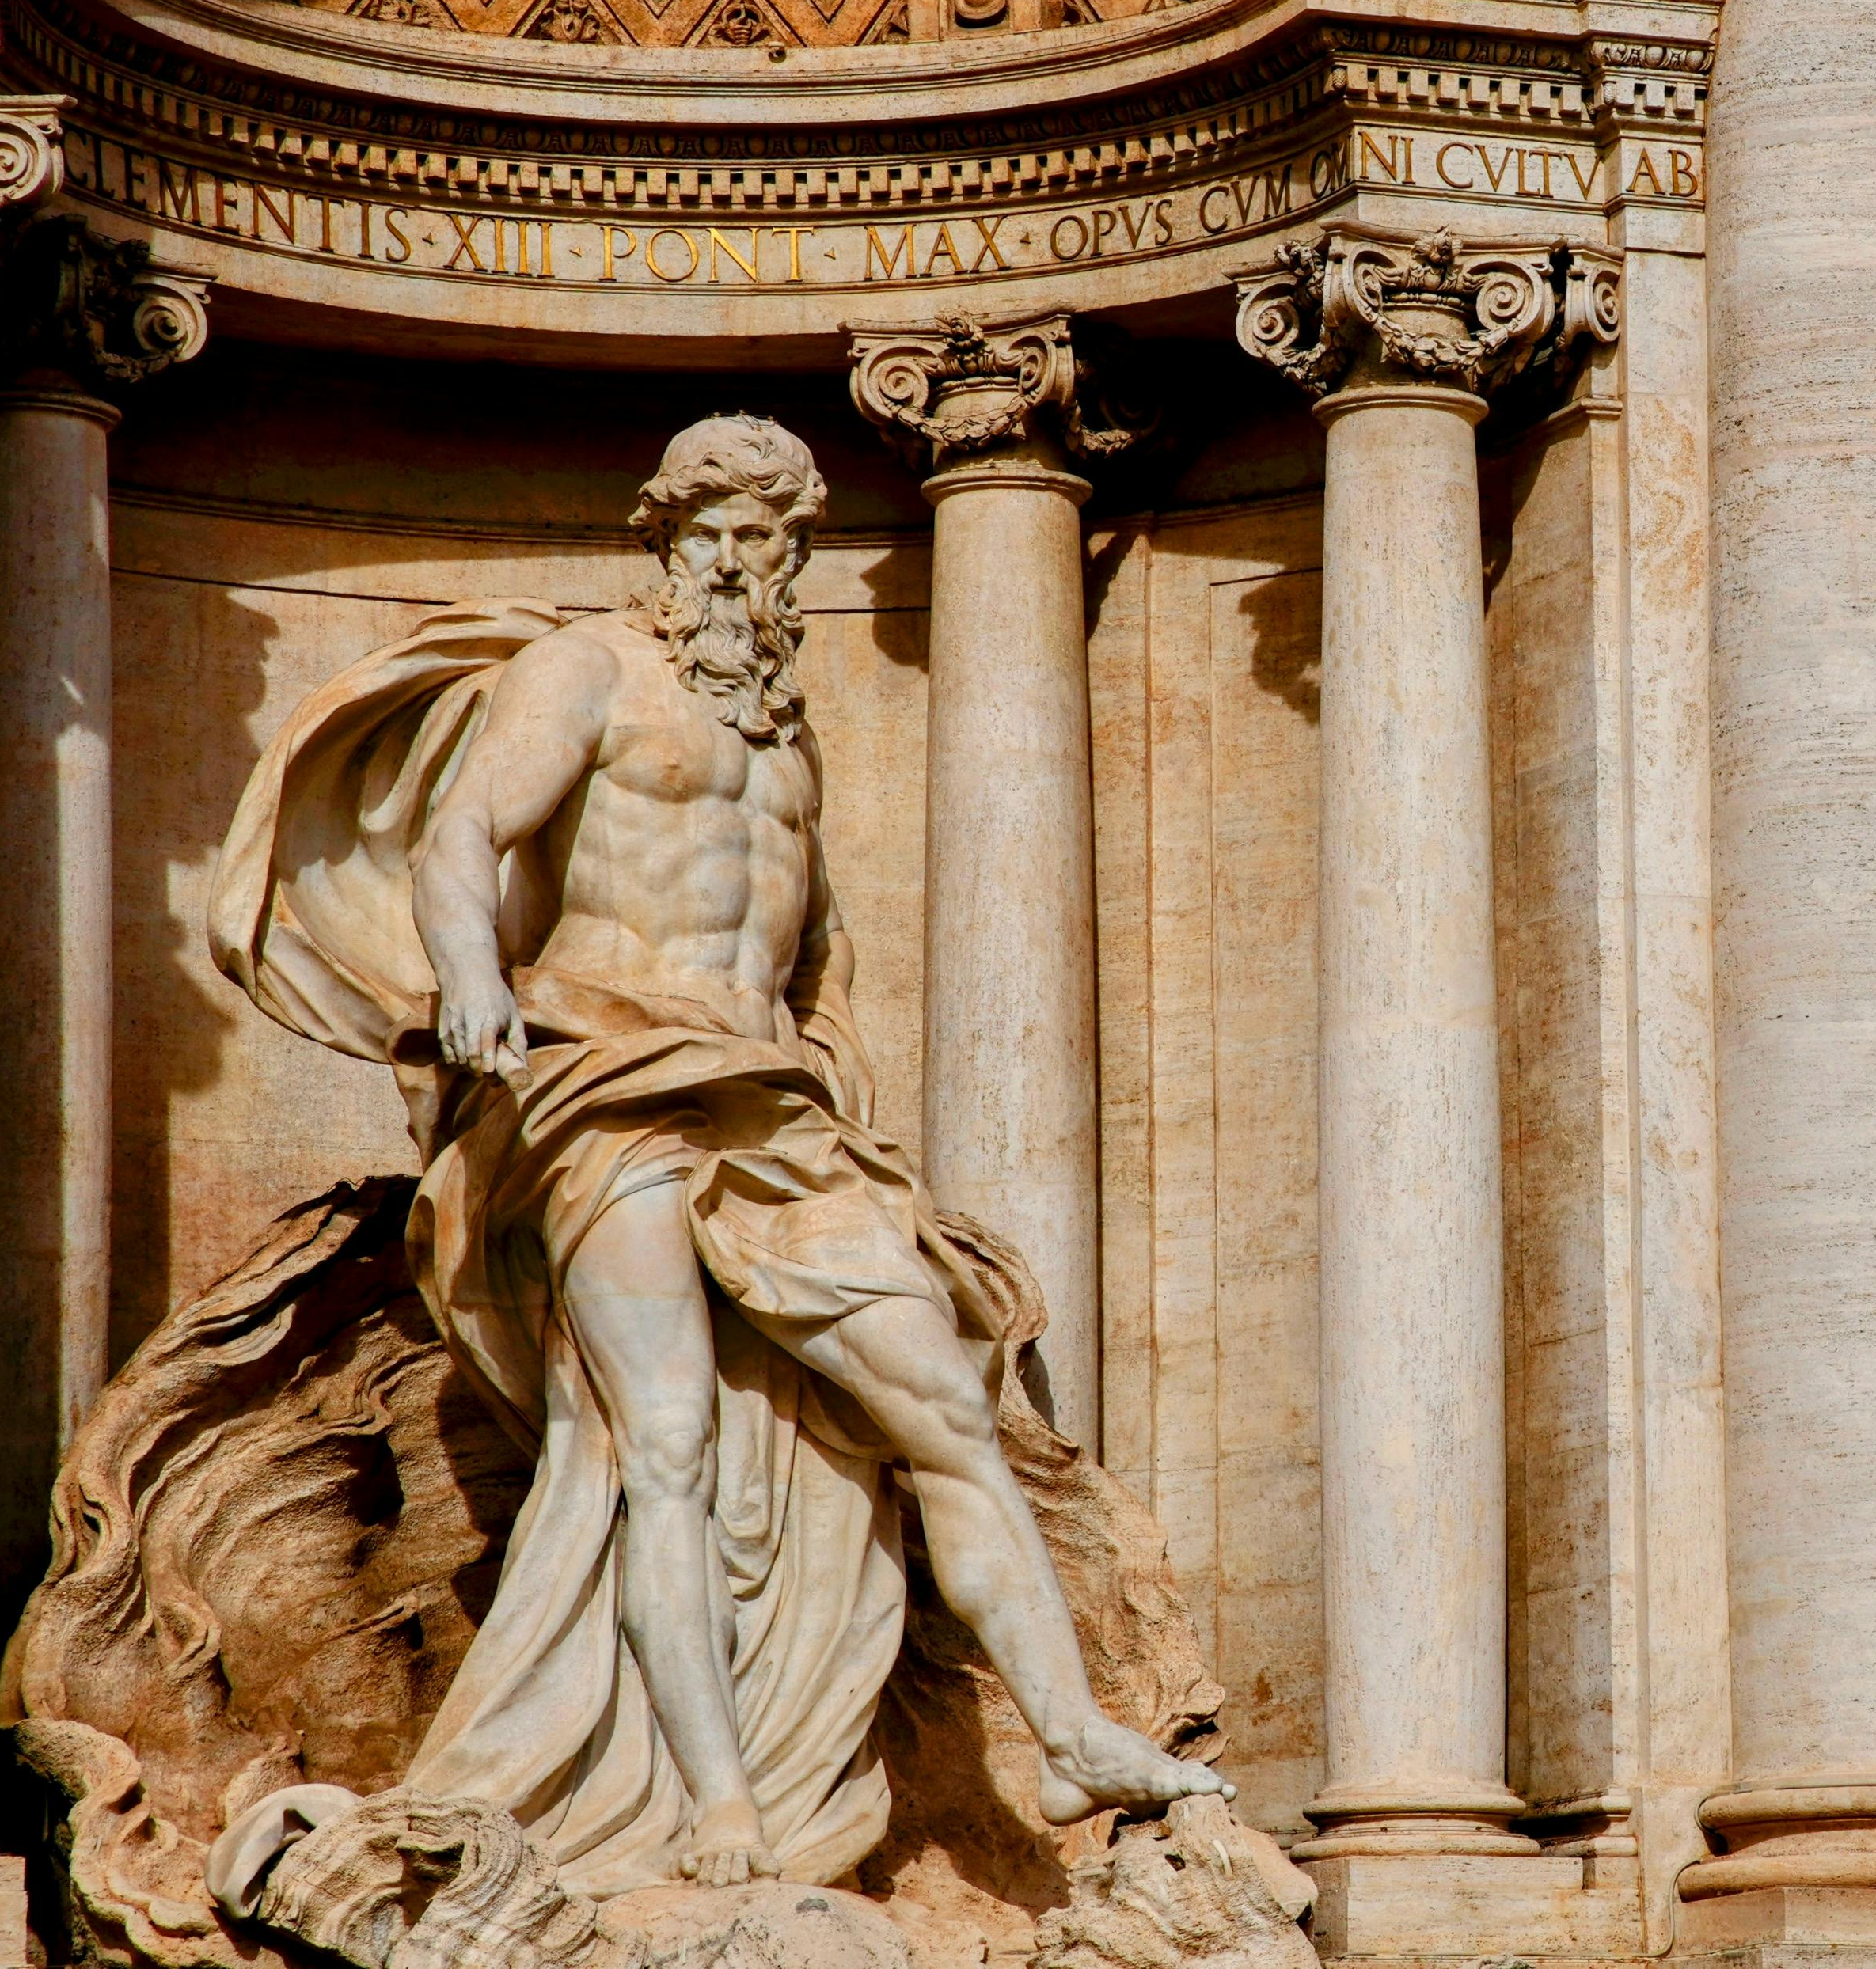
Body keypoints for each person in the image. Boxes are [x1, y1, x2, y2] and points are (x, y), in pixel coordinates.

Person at [210, 415, 1226, 1895]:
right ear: (664, 539)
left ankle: (1069, 1730)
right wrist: (476, 982)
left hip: (768, 1100)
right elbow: (459, 839)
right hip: (606, 1077)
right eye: (711, 533)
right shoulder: (585, 669)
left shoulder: (784, 730)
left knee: (943, 1399)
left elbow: (813, 952)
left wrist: (842, 1090)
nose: (739, 561)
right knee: (660, 1444)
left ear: (799, 552)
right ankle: (720, 1802)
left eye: (768, 536)